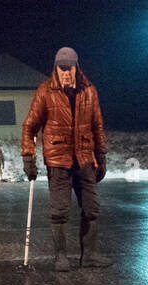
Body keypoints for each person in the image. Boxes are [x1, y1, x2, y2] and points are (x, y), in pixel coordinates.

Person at [21, 46, 110, 269]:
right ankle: (60, 257)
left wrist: (101, 155)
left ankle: (88, 255)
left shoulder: (89, 91)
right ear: (56, 69)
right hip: (58, 161)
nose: (66, 73)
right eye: (62, 69)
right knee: (60, 211)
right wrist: (28, 157)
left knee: (92, 208)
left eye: (69, 68)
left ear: (76, 67)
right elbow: (29, 127)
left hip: (84, 159)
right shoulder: (45, 91)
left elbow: (97, 126)